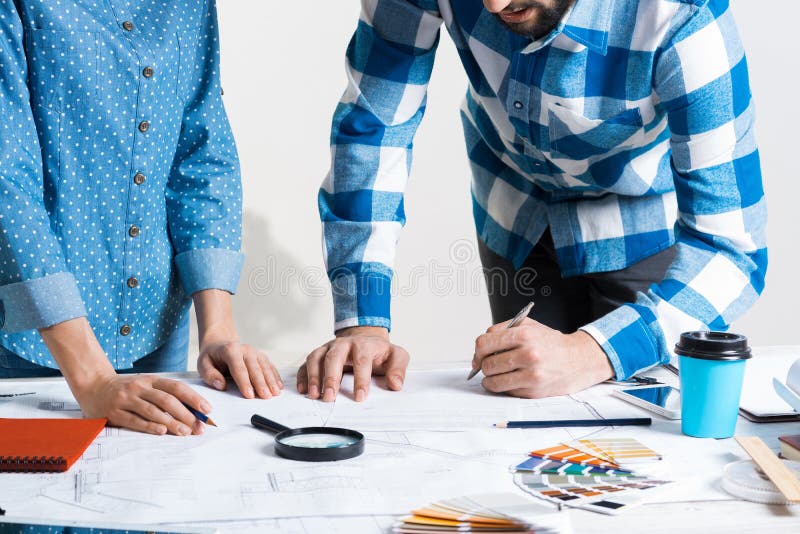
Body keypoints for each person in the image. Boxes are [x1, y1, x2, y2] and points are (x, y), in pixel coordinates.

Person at [300, 0, 766, 400]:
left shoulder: (687, 16)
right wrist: (363, 322)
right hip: (513, 205)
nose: (493, 6)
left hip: (641, 221)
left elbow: (731, 248)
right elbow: (375, 128)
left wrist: (594, 352)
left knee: (637, 433)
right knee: (521, 408)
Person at [0, 0, 282, 435]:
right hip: (33, 343)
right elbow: (6, 181)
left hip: (158, 330)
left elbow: (202, 152)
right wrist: (92, 377)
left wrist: (218, 330)